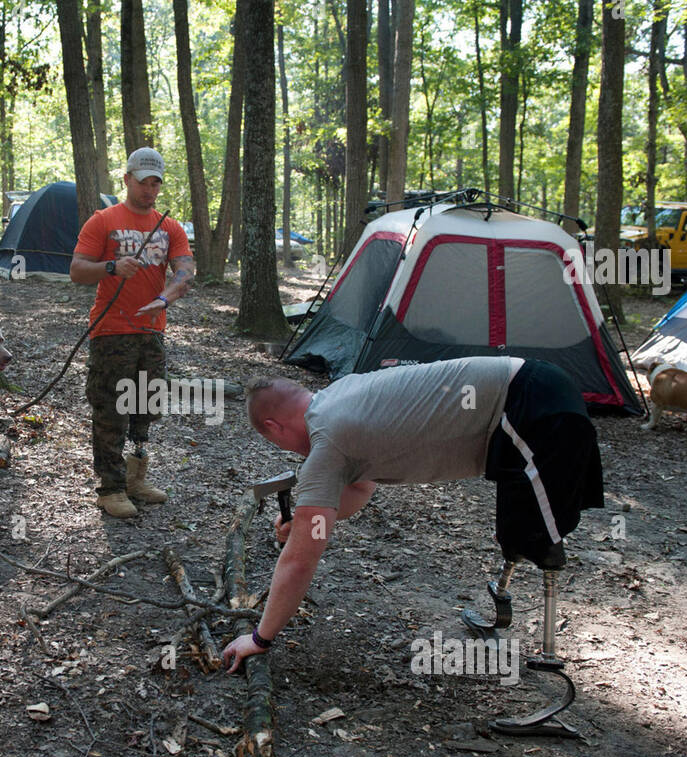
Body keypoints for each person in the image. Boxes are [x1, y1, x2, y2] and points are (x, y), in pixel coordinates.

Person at [221, 358, 604, 672]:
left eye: (275, 441)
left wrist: (259, 638)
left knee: (539, 541)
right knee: (516, 533)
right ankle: (504, 608)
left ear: (273, 426)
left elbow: (300, 562)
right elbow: (359, 489)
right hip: (537, 387)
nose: (288, 451)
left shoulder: (328, 440)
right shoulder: (340, 397)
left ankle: (550, 662)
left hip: (531, 410)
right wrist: (311, 522)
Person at [70, 148, 195, 518]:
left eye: (156, 183)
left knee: (146, 405)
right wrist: (111, 266)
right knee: (111, 407)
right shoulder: (103, 220)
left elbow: (186, 272)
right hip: (111, 331)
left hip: (151, 330)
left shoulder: (169, 226)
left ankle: (135, 477)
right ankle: (110, 488)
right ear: (127, 179)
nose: (150, 190)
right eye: (143, 182)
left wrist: (166, 298)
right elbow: (77, 270)